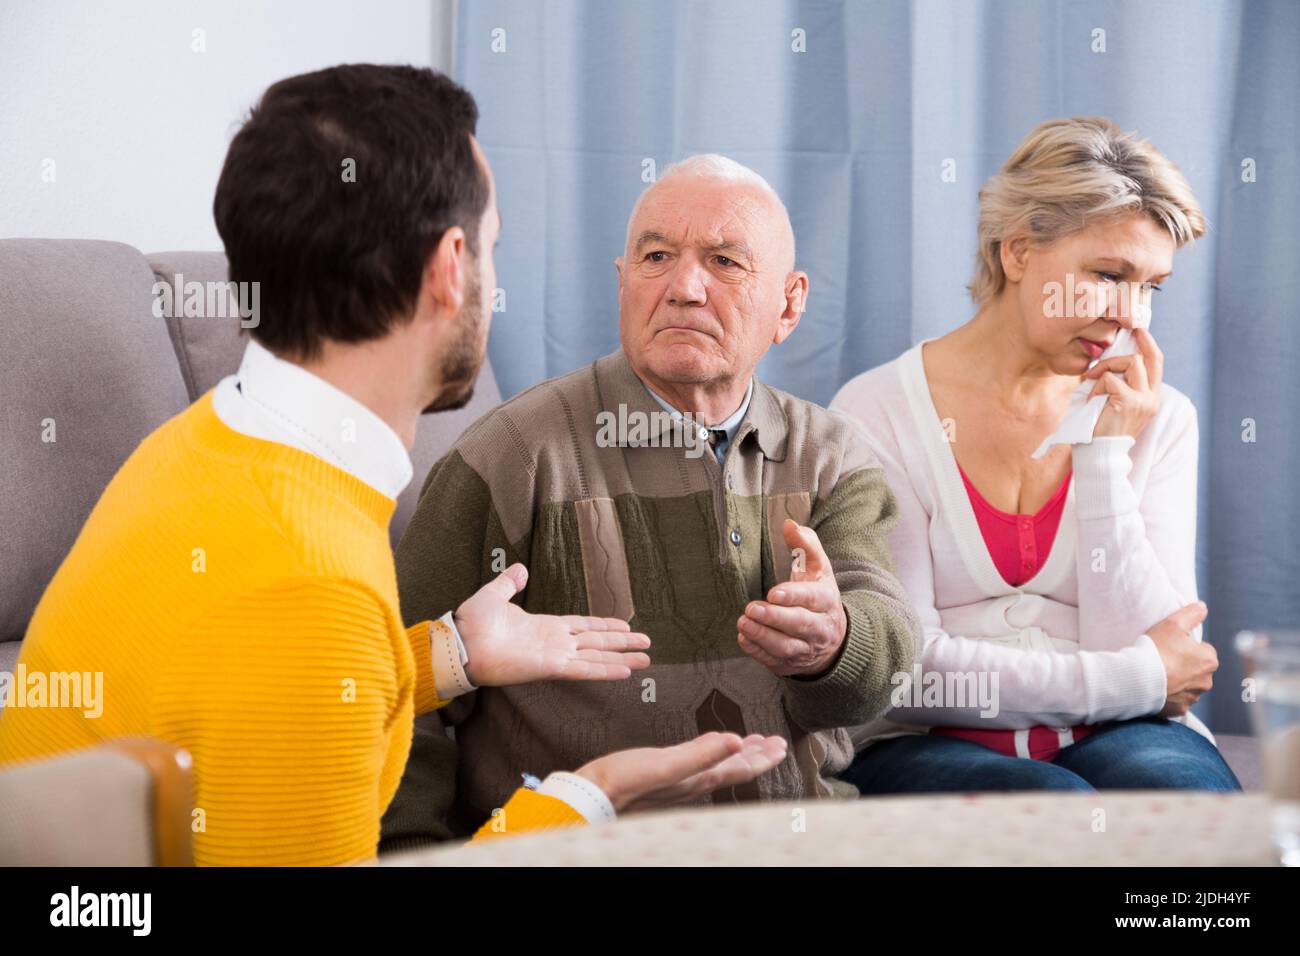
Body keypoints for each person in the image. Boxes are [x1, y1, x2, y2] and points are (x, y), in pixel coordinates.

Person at [0, 66, 788, 866]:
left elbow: (272, 699)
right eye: (491, 247)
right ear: (451, 268)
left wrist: (450, 654)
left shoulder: (205, 442)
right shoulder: (308, 581)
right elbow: (299, 649)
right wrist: (590, 794)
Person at [380, 153, 921, 851]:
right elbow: (396, 691)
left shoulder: (833, 455)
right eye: (656, 256)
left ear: (788, 304)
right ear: (622, 282)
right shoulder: (510, 454)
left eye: (725, 262)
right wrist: (412, 857)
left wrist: (835, 644)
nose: (684, 287)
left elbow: (877, 677)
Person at [830, 117, 1240, 793]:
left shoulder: (1159, 417)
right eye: (1108, 274)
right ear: (1017, 251)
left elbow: (1174, 664)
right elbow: (903, 672)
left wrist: (1104, 462)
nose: (1130, 316)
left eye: (1151, 287)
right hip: (922, 741)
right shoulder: (878, 412)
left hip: (1127, 730)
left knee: (1191, 813)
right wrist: (1139, 675)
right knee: (1052, 813)